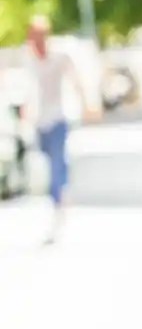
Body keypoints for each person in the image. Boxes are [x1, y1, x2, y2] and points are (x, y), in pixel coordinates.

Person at [21, 14, 98, 244]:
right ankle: (59, 195)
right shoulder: (31, 60)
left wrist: (87, 104)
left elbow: (76, 80)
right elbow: (29, 88)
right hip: (40, 122)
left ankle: (60, 205)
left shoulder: (60, 56)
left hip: (59, 118)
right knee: (47, 164)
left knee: (57, 165)